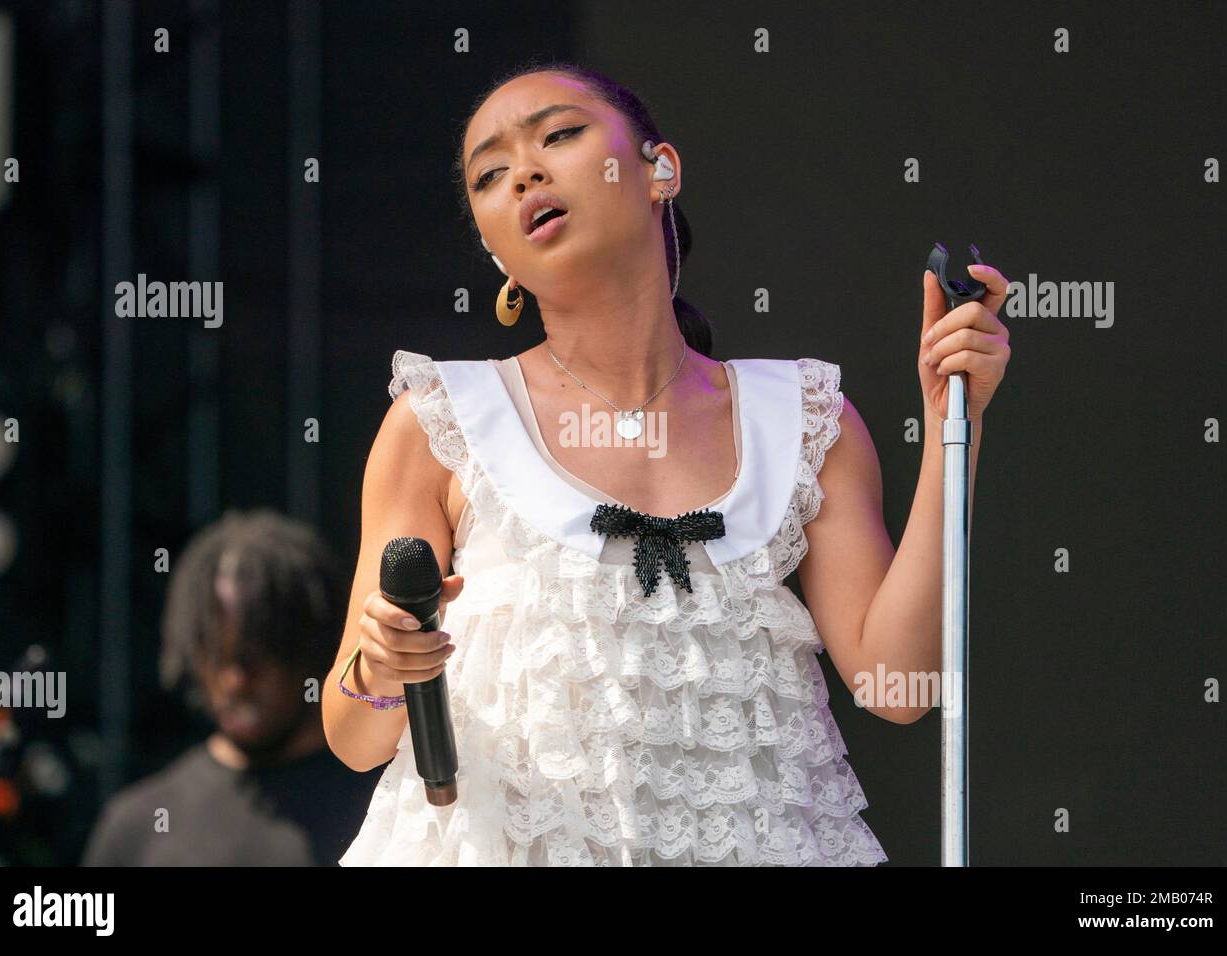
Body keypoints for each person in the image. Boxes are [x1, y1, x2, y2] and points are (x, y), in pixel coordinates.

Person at [323, 61, 1011, 866]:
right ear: (495, 252)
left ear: (660, 171)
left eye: (559, 135)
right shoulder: (444, 423)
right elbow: (354, 738)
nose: (526, 174)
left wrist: (949, 428)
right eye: (490, 175)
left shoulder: (802, 419)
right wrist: (380, 666)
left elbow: (900, 684)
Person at [82, 509, 384, 866]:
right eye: (215, 654)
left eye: (256, 653)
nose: (234, 681)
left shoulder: (386, 806)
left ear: (312, 646)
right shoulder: (136, 827)